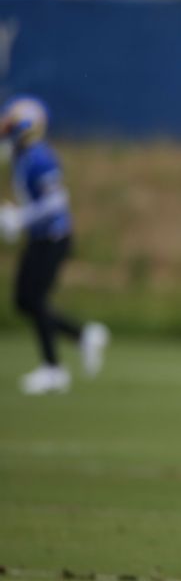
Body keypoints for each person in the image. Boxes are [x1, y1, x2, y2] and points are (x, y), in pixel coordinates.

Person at [0, 96, 108, 395]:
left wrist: (20, 219)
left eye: (10, 121)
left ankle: (54, 368)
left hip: (53, 238)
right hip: (40, 236)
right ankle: (81, 337)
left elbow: (56, 200)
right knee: (25, 301)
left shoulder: (39, 157)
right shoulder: (20, 156)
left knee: (32, 300)